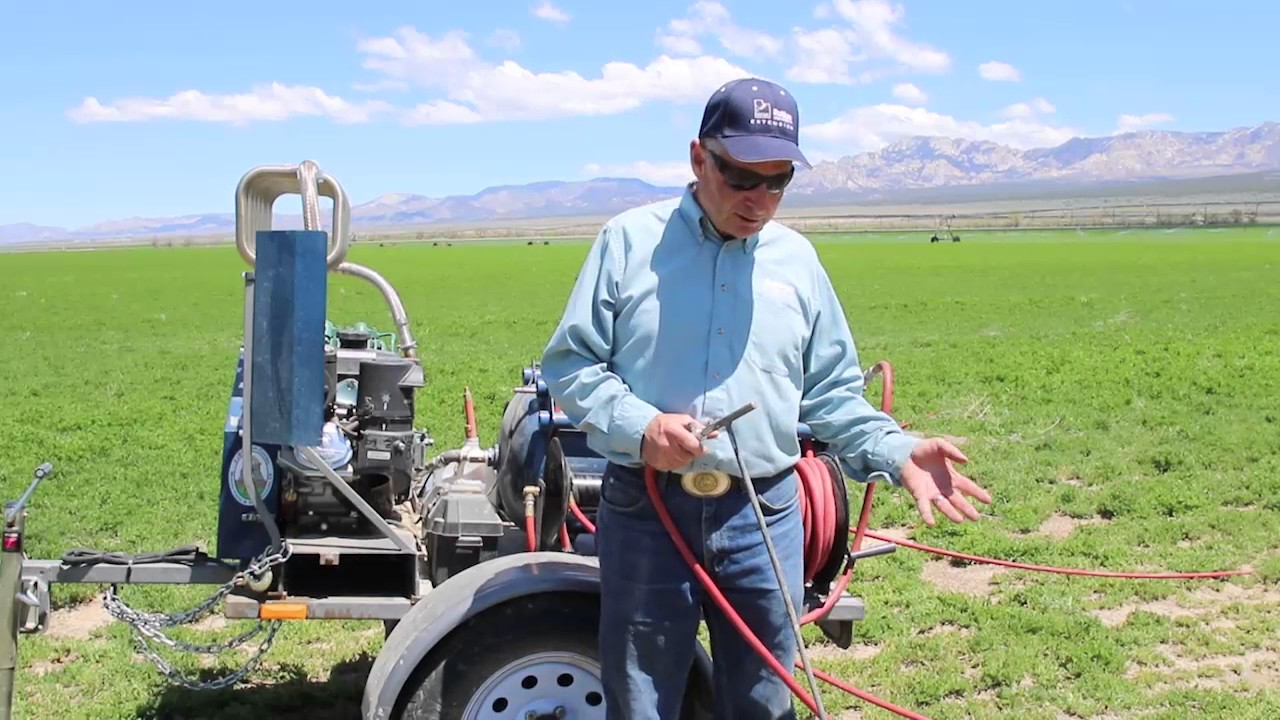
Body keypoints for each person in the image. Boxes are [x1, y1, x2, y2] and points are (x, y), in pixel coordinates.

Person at [540, 77, 993, 720]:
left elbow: (833, 393)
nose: (760, 199)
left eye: (778, 181)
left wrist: (896, 451)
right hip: (646, 513)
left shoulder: (799, 262)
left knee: (763, 697)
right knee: (640, 696)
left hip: (765, 517)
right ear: (699, 159)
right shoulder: (628, 243)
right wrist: (643, 428)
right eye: (741, 177)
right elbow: (572, 364)